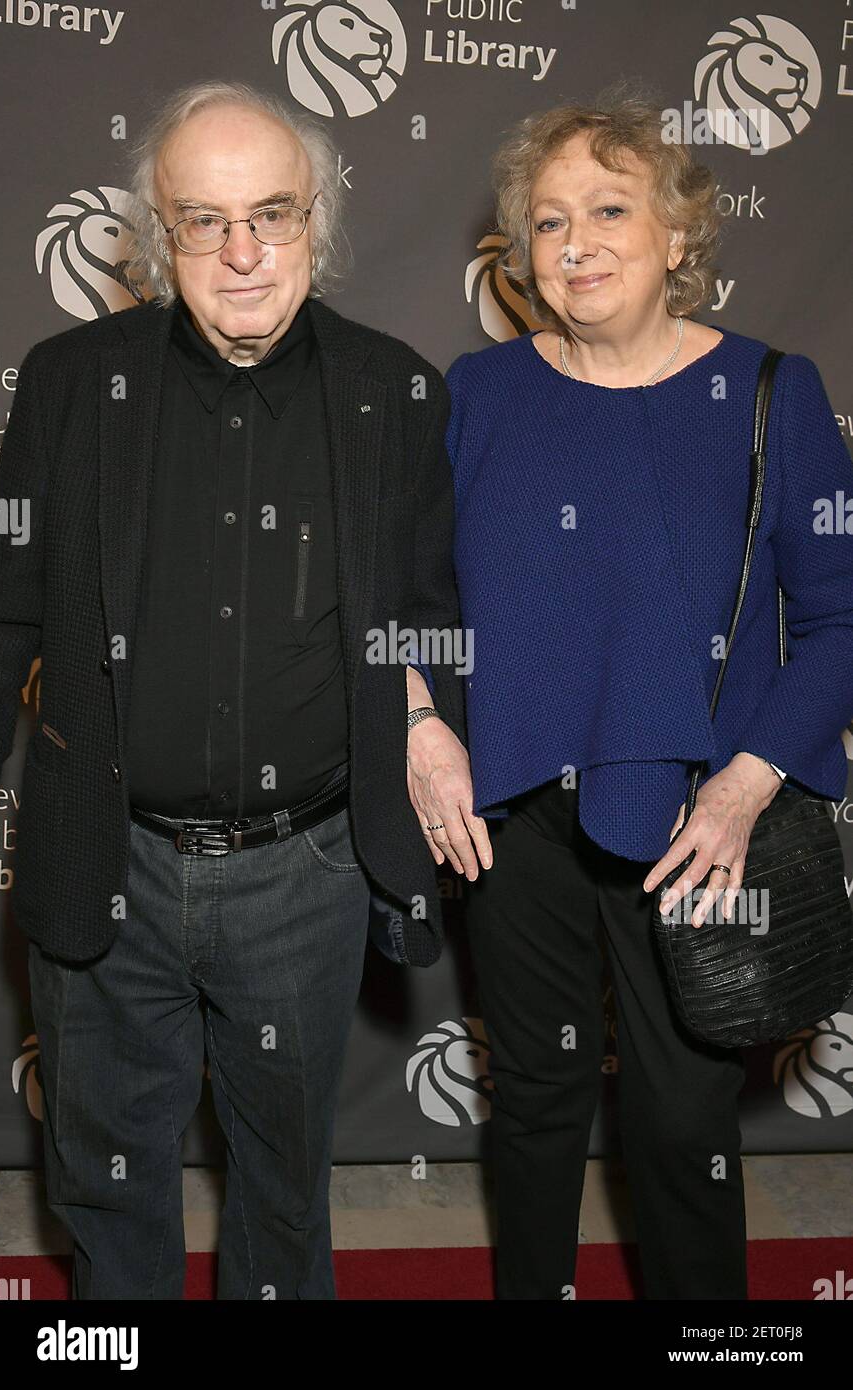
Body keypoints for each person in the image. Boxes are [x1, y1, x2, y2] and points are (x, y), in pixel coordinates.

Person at [0, 79, 489, 1300]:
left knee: (282, 1189)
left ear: (317, 219)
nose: (244, 250)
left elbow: (427, 611)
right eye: (202, 220)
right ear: (158, 239)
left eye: (270, 211)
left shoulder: (396, 391)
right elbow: (3, 608)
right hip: (107, 853)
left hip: (304, 875)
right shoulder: (67, 382)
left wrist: (424, 720)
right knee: (106, 1189)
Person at [444, 93, 853, 1299]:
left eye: (610, 210)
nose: (575, 243)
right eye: (549, 221)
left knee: (681, 1134)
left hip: (694, 821)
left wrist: (744, 784)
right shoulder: (477, 395)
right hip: (515, 825)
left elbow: (839, 618)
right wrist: (422, 728)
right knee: (530, 1116)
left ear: (677, 236)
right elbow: (405, 595)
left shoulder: (774, 389)